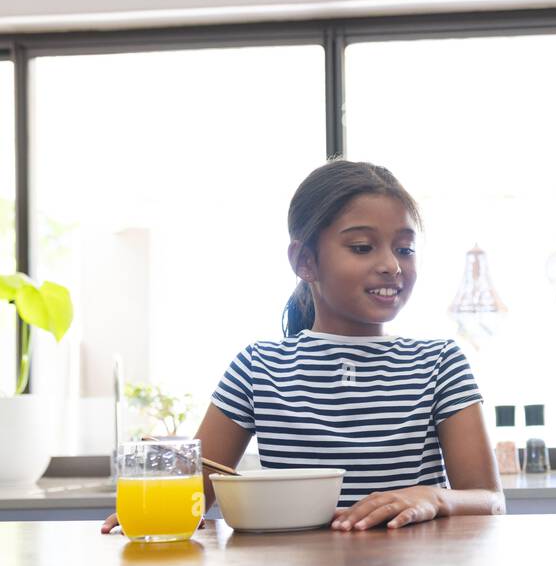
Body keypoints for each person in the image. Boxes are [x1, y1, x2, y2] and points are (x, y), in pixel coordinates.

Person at [102, 160, 504, 534]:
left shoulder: (440, 364)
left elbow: (490, 500)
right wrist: (154, 507)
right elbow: (196, 496)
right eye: (363, 247)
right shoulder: (258, 368)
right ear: (305, 261)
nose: (392, 266)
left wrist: (433, 496)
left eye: (405, 248)